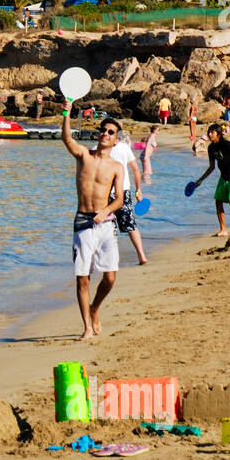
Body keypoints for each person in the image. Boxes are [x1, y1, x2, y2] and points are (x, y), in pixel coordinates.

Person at [61, 102, 123, 340]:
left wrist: (105, 210)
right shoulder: (84, 156)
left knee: (110, 277)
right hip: (83, 222)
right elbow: (67, 138)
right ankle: (87, 326)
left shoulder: (116, 167)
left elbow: (119, 199)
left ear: (116, 140)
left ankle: (95, 308)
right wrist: (67, 112)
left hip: (105, 223)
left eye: (110, 132)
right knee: (83, 278)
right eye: (103, 130)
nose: (105, 134)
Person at [195, 124, 230, 237]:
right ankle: (223, 229)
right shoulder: (211, 148)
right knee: (218, 201)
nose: (210, 134)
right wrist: (200, 180)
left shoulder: (226, 144)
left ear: (218, 134)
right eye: (209, 132)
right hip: (223, 177)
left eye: (212, 132)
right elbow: (211, 167)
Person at [111, 130, 149, 265]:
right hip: (122, 191)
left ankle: (112, 260)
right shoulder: (124, 148)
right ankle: (141, 256)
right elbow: (135, 169)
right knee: (130, 224)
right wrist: (138, 189)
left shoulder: (98, 148)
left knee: (110, 227)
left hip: (110, 193)